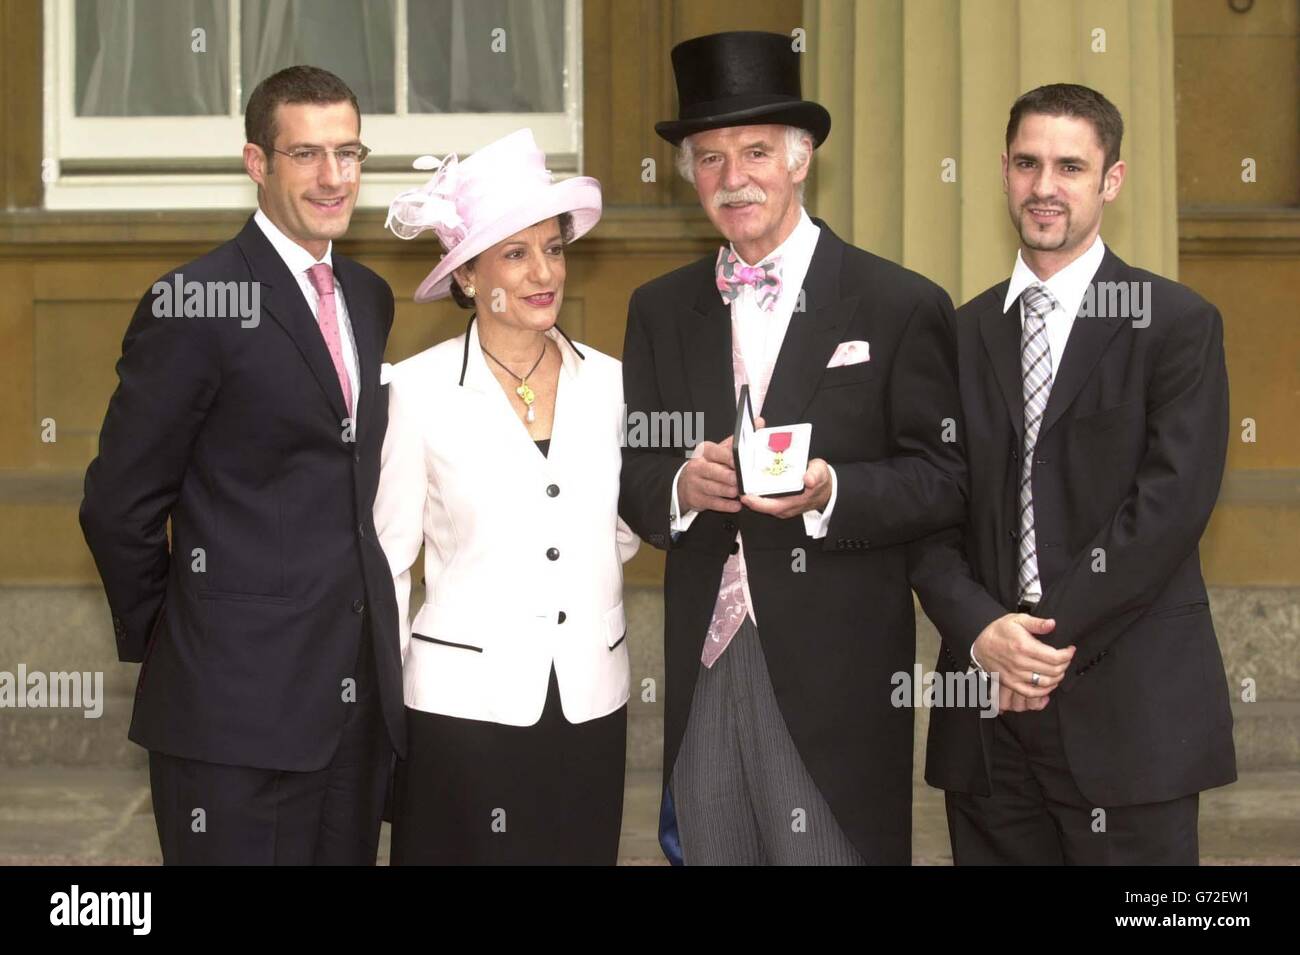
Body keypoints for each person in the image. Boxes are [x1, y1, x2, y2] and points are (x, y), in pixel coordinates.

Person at [618, 31, 966, 865]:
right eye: (709, 159)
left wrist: (830, 492)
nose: (733, 178)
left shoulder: (898, 303)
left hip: (837, 681)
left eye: (756, 152)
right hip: (705, 665)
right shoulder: (660, 309)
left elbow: (944, 478)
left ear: (802, 158)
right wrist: (678, 487)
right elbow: (632, 473)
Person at [79, 66, 404, 864]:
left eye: (348, 152)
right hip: (230, 716)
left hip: (353, 707)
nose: (334, 177)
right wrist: (187, 636)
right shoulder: (194, 302)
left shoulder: (368, 295)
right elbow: (116, 506)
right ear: (256, 163)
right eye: (306, 155)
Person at [910, 83, 1236, 864]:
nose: (1044, 187)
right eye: (1028, 164)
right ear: (1004, 171)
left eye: (1070, 166)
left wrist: (1040, 644)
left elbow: (1168, 507)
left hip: (1128, 711)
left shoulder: (1176, 324)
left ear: (1110, 181)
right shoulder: (957, 333)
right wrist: (985, 633)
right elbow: (925, 506)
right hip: (986, 714)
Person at [375, 128, 638, 865]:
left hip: (588, 697)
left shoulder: (616, 385)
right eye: (515, 253)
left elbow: (620, 531)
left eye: (551, 248)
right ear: (467, 276)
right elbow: (391, 561)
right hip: (459, 711)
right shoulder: (417, 391)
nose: (541, 271)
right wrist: (387, 717)